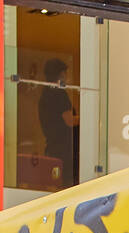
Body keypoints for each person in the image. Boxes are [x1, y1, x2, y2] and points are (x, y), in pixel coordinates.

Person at [37, 58, 78, 186]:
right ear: (61, 74)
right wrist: (85, 118)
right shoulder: (59, 94)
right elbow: (69, 121)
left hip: (52, 147)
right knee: (67, 184)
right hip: (64, 150)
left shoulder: (45, 94)